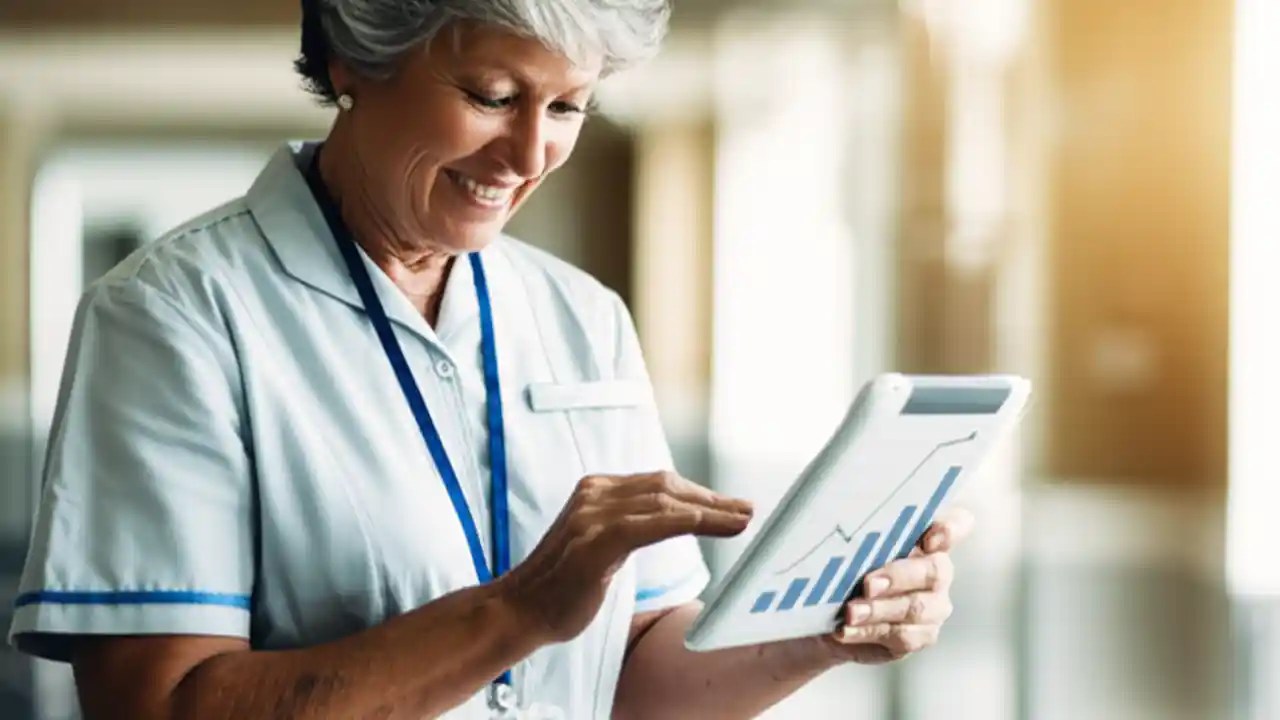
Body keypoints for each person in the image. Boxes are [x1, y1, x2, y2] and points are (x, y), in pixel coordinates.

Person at [8, 1, 972, 717]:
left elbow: (635, 686)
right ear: (353, 58)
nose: (528, 153)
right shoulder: (175, 315)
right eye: (492, 96)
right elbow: (162, 706)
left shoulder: (582, 318)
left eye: (569, 108)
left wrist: (820, 624)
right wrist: (516, 612)